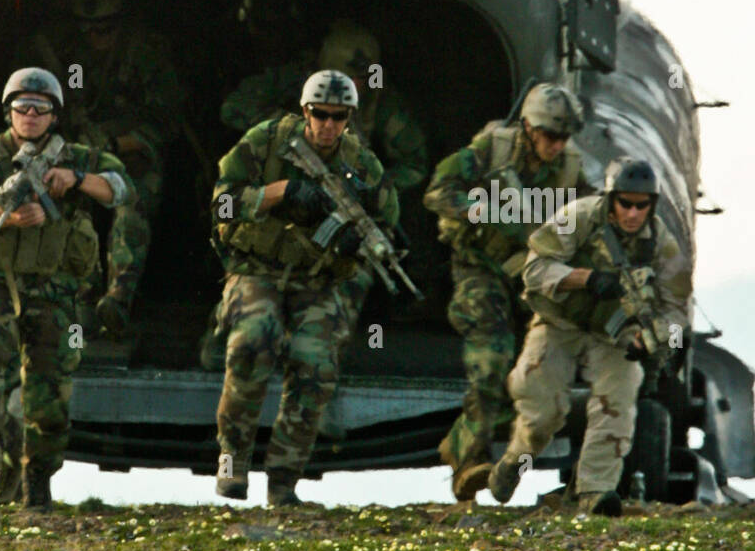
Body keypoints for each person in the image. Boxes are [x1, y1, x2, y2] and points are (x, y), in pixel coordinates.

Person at [0, 67, 134, 510]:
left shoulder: (78, 156)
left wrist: (75, 180)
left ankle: (38, 479)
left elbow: (122, 189)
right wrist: (2, 216)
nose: (29, 115)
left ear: (54, 115)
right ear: (9, 112)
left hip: (56, 294)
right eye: (21, 107)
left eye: (40, 108)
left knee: (51, 396)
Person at [212, 70, 400, 506]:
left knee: (315, 364)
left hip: (316, 279)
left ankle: (284, 479)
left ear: (350, 117)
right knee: (252, 342)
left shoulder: (361, 164)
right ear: (305, 112)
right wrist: (278, 193)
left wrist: (356, 238)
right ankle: (231, 459)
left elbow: (386, 222)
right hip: (257, 269)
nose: (328, 125)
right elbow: (221, 202)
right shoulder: (266, 141)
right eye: (320, 115)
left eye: (339, 117)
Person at [487, 159, 691, 515]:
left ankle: (595, 491)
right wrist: (586, 279)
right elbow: (534, 271)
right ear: (611, 200)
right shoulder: (579, 217)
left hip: (613, 337)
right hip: (559, 323)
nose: (632, 212)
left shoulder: (661, 243)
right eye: (625, 203)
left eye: (641, 205)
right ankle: (514, 465)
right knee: (541, 415)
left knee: (620, 400)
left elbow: (677, 311)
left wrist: (657, 340)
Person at [423, 83, 591, 500]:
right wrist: (479, 209)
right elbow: (436, 192)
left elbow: (592, 215)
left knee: (551, 359)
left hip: (530, 273)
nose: (557, 145)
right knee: (492, 353)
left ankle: (580, 479)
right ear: (529, 129)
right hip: (479, 267)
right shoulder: (489, 152)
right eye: (551, 136)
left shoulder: (570, 169)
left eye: (564, 137)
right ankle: (468, 460)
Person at [221, 19, 426, 345]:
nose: (358, 86)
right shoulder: (290, 85)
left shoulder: (380, 104)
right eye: (349, 78)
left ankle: (321, 348)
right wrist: (285, 136)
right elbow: (232, 109)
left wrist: (371, 191)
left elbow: (414, 164)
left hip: (339, 210)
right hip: (280, 203)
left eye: (363, 78)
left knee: (351, 275)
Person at [23, 0, 184, 339]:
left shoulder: (146, 55)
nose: (95, 37)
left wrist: (118, 142)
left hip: (132, 150)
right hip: (84, 150)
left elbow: (166, 120)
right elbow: (71, 100)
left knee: (131, 202)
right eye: (88, 29)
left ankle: (119, 298)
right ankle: (78, 292)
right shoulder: (74, 59)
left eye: (105, 29)